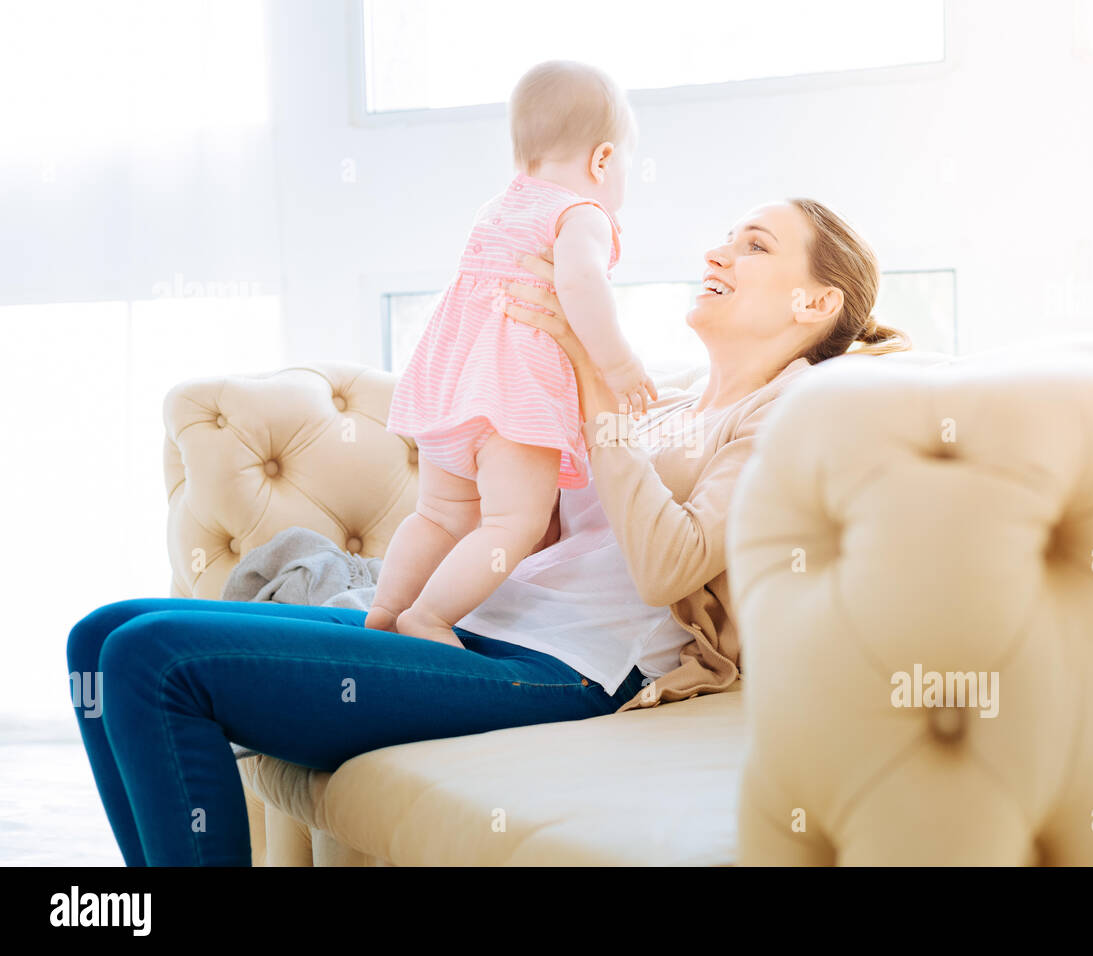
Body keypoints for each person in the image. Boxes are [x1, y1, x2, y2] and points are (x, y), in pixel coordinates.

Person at [65, 198, 911, 866]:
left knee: (154, 659)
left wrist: (589, 385)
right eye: (726, 236)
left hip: (565, 669)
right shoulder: (675, 404)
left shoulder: (794, 406)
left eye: (755, 244)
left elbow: (670, 566)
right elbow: (542, 532)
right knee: (100, 635)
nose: (717, 253)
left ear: (818, 301)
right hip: (489, 625)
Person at [371, 60, 657, 646]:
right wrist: (619, 364)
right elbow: (581, 284)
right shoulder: (582, 214)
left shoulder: (494, 209)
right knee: (513, 522)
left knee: (439, 516)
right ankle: (427, 618)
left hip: (450, 385)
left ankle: (386, 610)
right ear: (603, 159)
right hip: (514, 395)